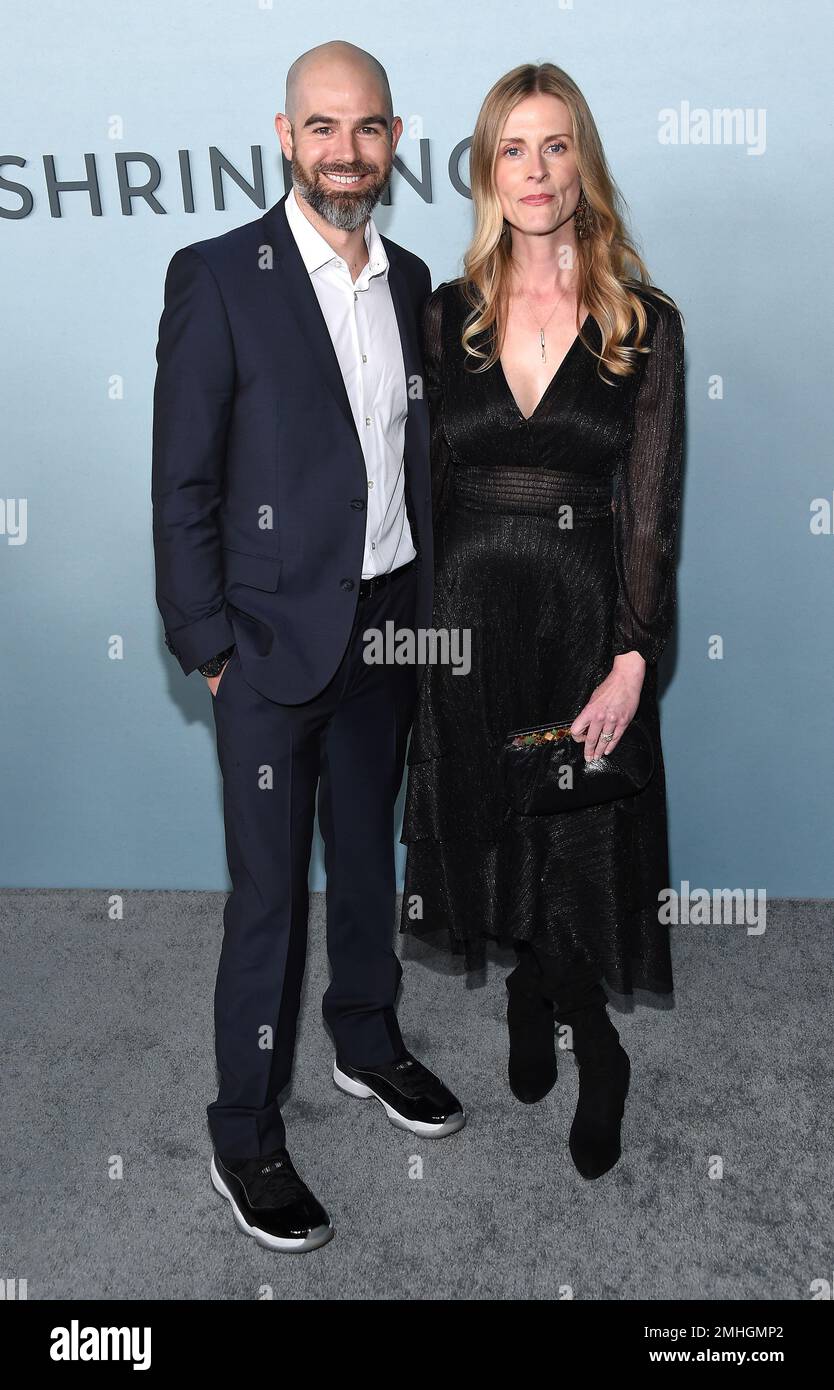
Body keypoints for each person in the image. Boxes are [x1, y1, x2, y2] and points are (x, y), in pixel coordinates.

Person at [152, 40, 464, 1254]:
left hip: (386, 626)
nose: (347, 152)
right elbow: (183, 479)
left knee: (370, 862)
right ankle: (245, 1128)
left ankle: (368, 1042)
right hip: (269, 649)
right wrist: (208, 644)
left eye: (369, 127)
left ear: (395, 139)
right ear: (285, 136)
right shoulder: (221, 276)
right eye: (322, 128)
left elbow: (408, 473)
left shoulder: (415, 281)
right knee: (270, 899)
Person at [400, 62, 686, 1181]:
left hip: (581, 626)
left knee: (572, 832)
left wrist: (633, 655)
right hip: (464, 621)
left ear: (584, 165)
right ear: (486, 167)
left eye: (556, 146)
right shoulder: (444, 316)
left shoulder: (642, 322)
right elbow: (413, 484)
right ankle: (529, 989)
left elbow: (652, 509)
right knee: (490, 819)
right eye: (513, 148)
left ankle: (599, 1051)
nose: (535, 170)